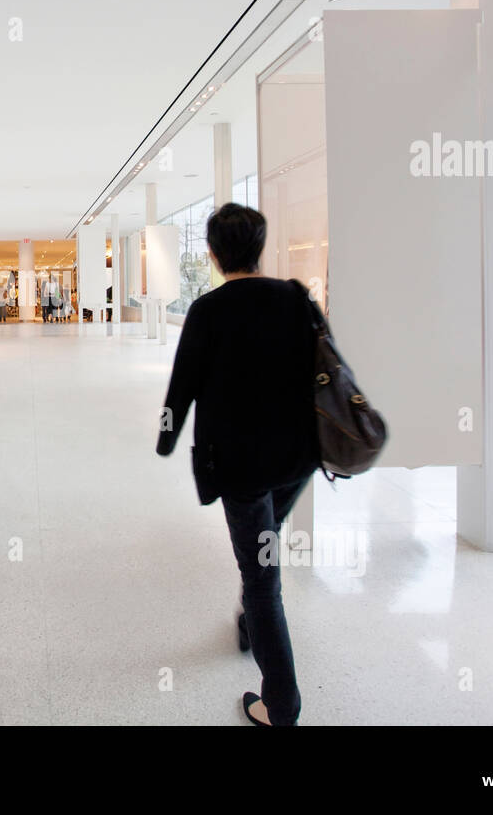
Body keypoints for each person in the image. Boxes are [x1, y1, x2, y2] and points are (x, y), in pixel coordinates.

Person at [155, 203, 318, 727]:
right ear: (260, 246)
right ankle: (251, 618)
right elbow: (325, 369)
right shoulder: (295, 298)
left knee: (261, 578)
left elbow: (182, 387)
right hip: (297, 459)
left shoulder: (208, 311)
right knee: (263, 554)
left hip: (242, 468)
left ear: (213, 253)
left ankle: (282, 706)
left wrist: (165, 439)